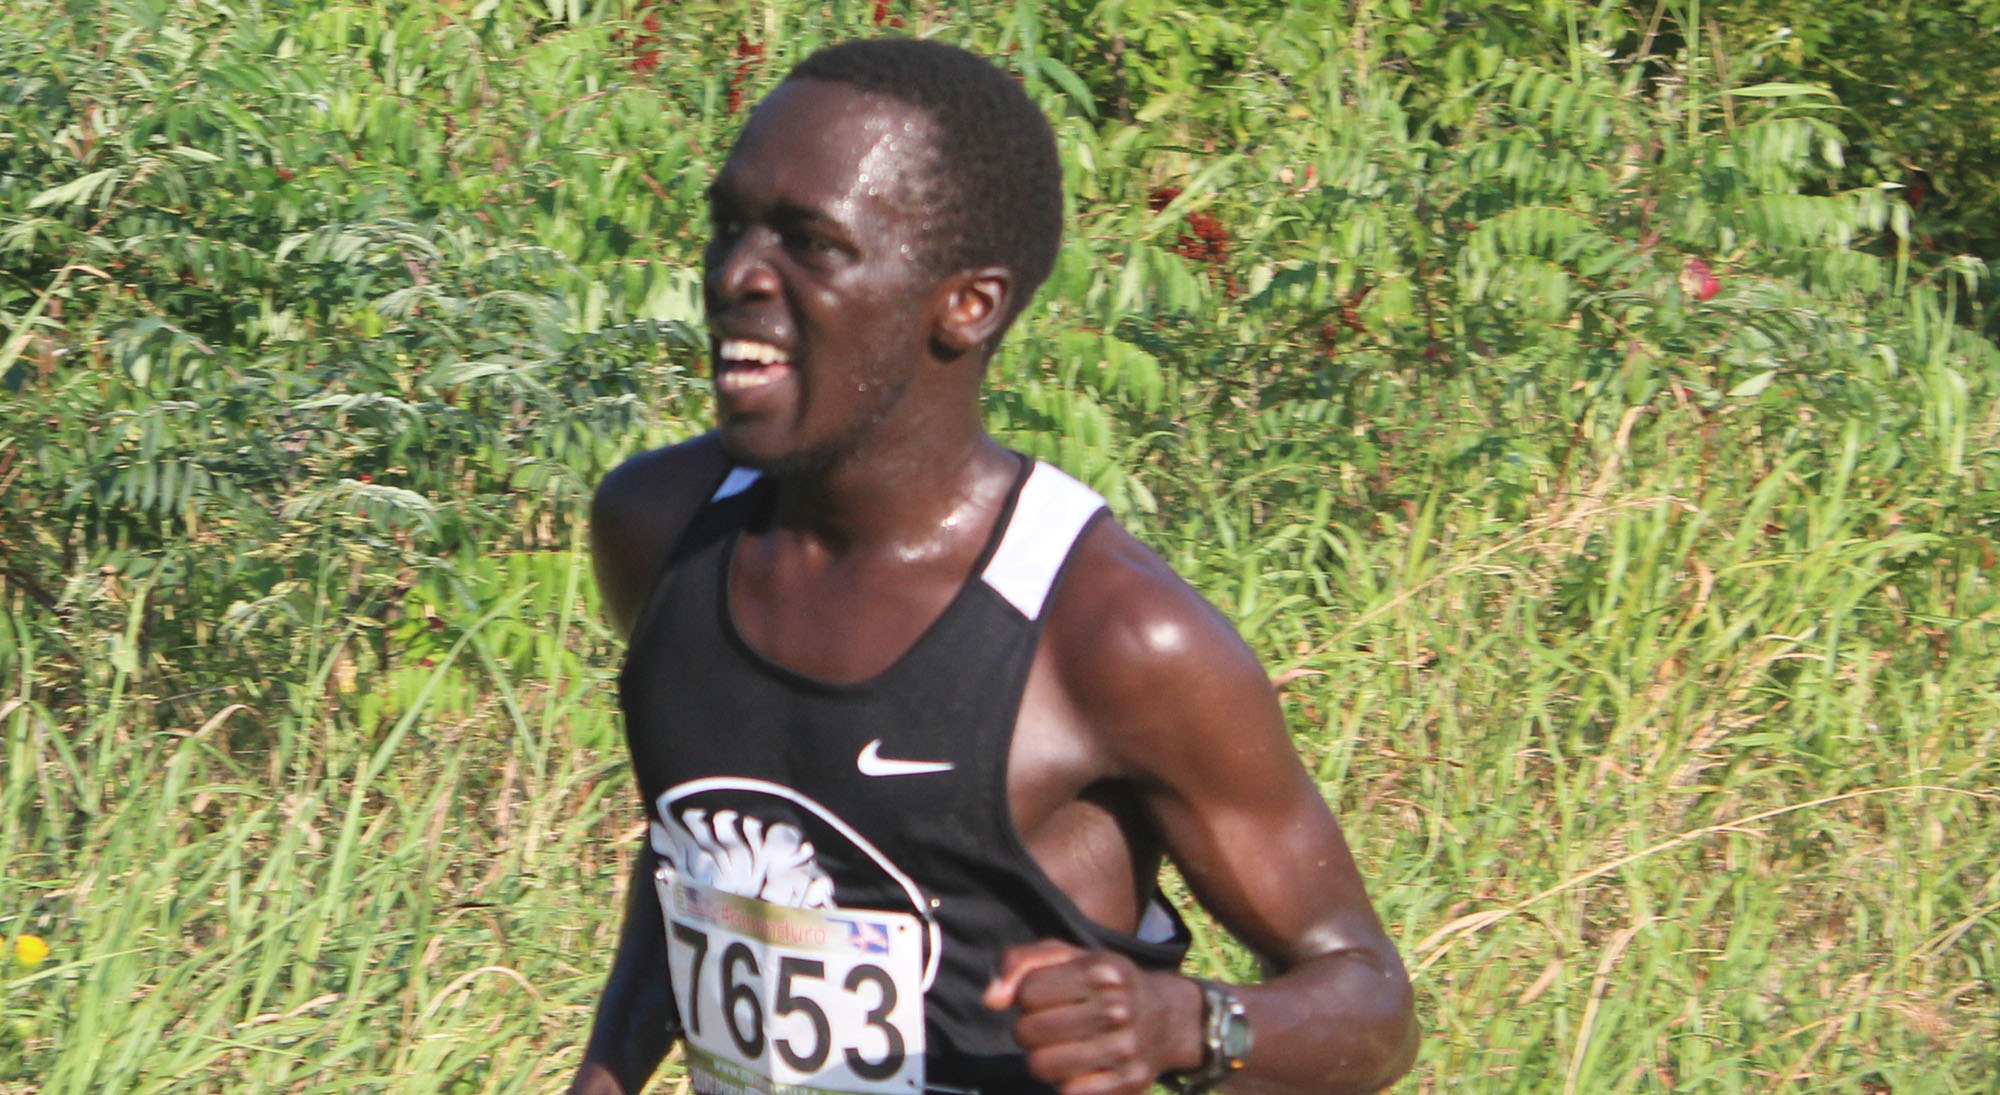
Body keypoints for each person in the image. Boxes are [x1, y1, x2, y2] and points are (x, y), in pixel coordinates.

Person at [573, 38, 1417, 1095]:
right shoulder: (659, 532)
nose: (736, 274)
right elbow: (693, 862)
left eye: (809, 243)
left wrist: (1184, 1024)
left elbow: (1371, 1004)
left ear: (965, 304)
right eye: (727, 224)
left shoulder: (1107, 636)